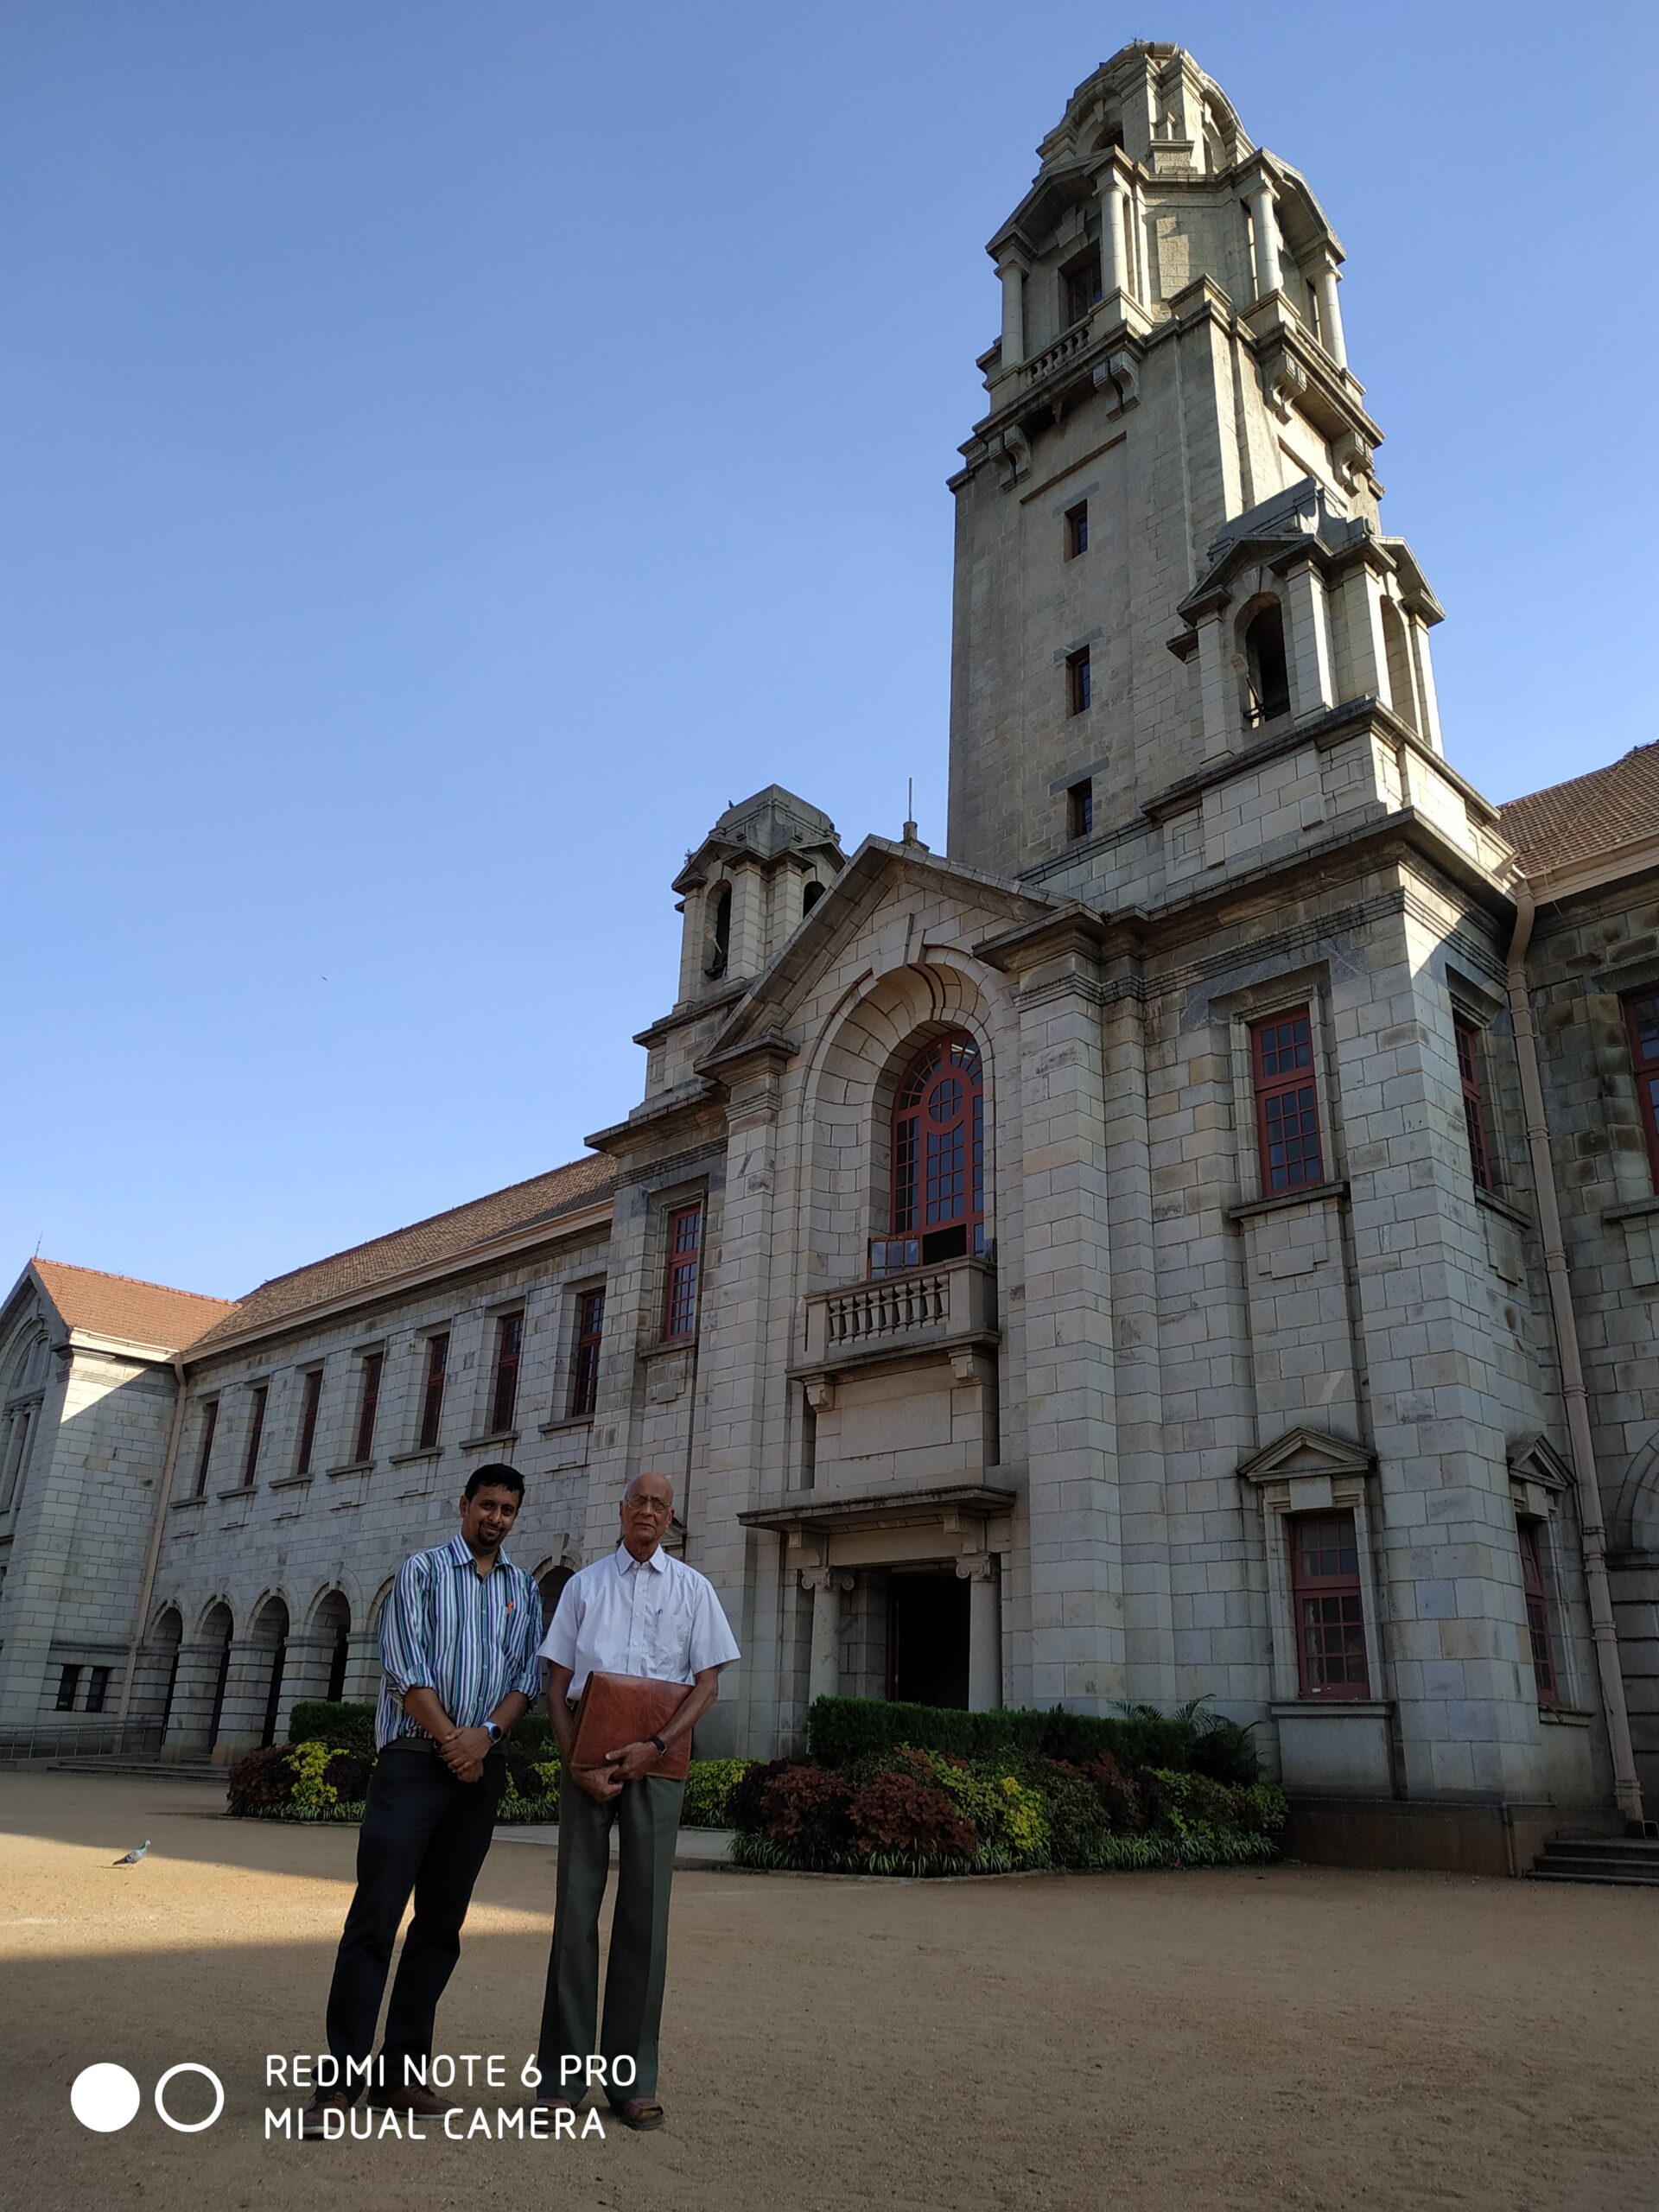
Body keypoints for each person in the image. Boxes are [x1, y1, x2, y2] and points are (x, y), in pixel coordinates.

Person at [301, 1462, 543, 2137]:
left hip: (480, 1769)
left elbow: (527, 1677)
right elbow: (406, 1668)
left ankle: (401, 2071)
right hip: (413, 1762)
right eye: (487, 1505)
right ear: (463, 1505)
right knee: (374, 1919)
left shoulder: (524, 1589)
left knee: (440, 1928)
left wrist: (487, 1736)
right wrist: (452, 1743)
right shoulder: (422, 1572)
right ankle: (339, 2082)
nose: (496, 1518)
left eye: (508, 1510)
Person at [535, 1469, 740, 2131]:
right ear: (621, 1511)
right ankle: (562, 2081)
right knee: (574, 1914)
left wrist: (656, 1744)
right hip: (587, 1759)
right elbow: (557, 1679)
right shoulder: (584, 1586)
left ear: (671, 1516)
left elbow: (706, 1684)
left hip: (660, 1761)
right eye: (639, 1502)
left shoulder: (695, 1589)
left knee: (645, 1920)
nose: (648, 1512)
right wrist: (575, 1763)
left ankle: (631, 2079)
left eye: (660, 1504)